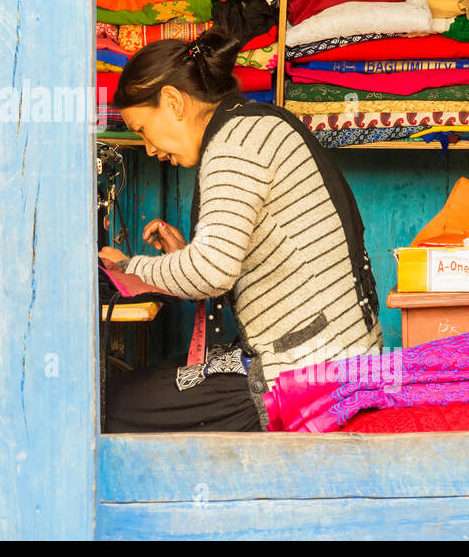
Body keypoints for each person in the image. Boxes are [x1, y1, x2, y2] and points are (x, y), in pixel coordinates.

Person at [98, 27, 383, 432]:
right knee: (136, 391)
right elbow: (221, 261)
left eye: (142, 129)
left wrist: (127, 270)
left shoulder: (234, 145)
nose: (148, 148)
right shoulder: (254, 125)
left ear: (174, 102)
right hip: (336, 357)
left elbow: (212, 270)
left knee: (107, 405)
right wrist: (183, 259)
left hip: (306, 376)